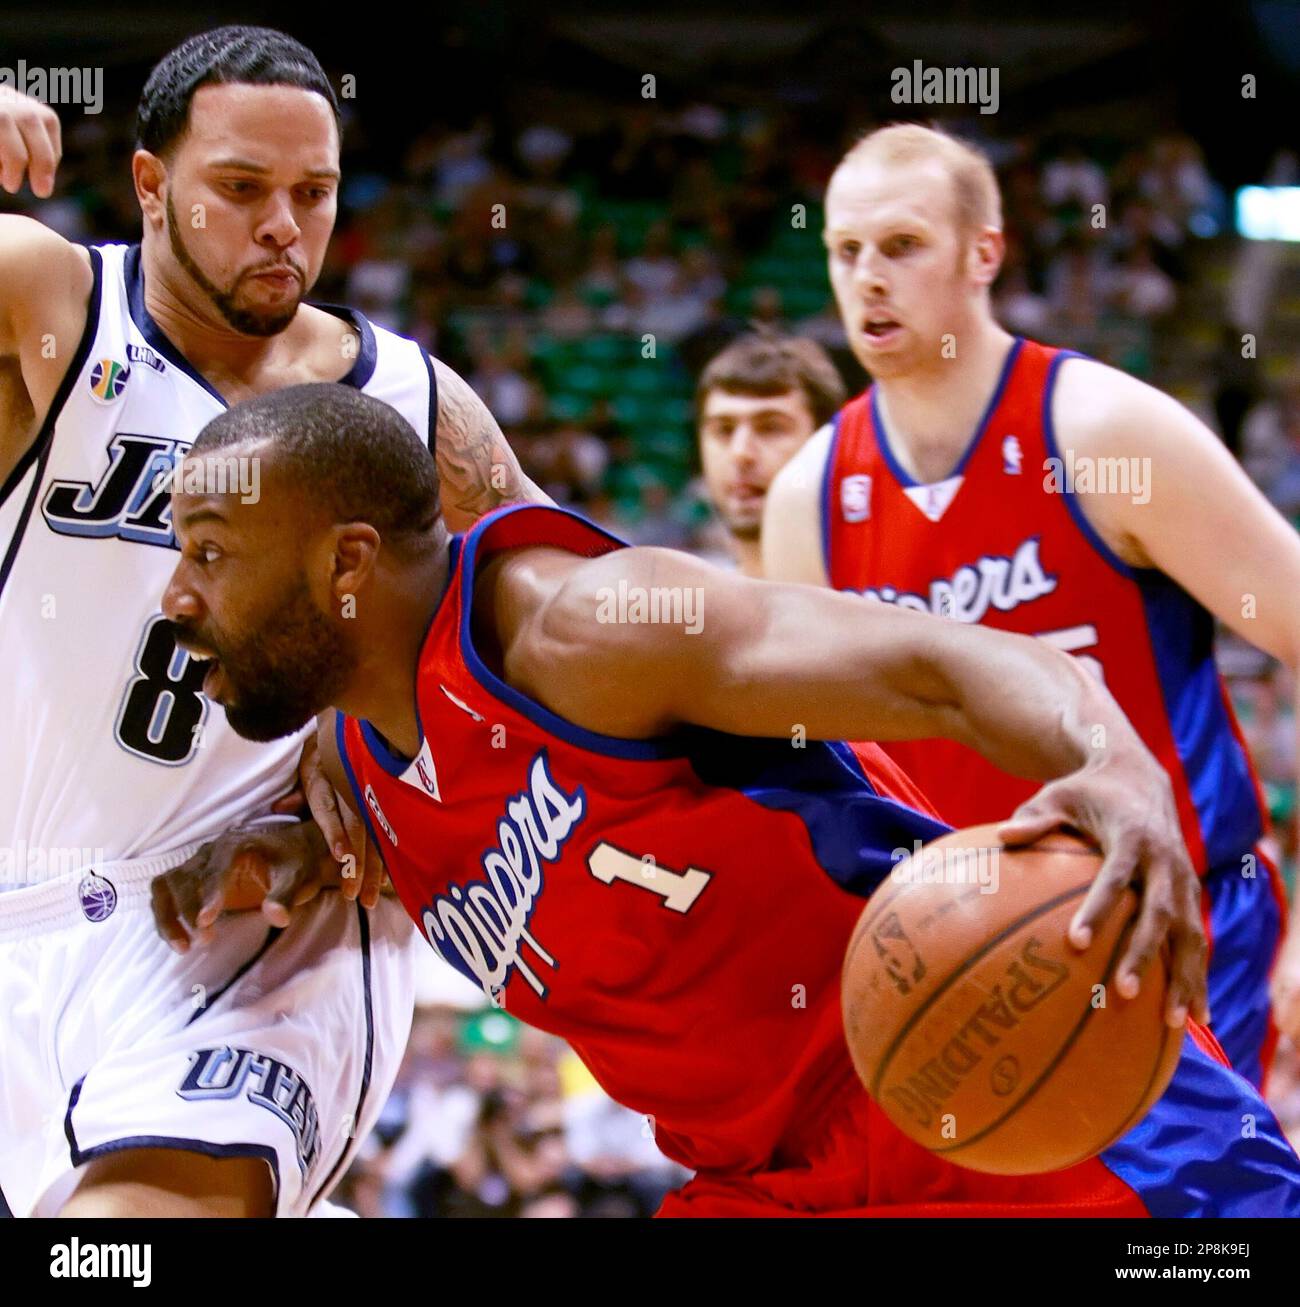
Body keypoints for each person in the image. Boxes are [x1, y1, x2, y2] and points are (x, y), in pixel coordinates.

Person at [154, 382, 1300, 1217]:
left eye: (209, 553)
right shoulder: (358, 770)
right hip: (764, 1184)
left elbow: (944, 665)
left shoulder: (587, 629)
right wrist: (273, 853)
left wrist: (1109, 759)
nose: (175, 595)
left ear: (346, 563)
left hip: (1000, 1064)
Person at [0, 26, 541, 1217]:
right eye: (241, 190)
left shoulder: (403, 404)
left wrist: (376, 771)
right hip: (22, 922)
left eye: (314, 192)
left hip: (250, 917)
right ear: (151, 185)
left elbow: (553, 620)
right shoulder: (49, 304)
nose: (284, 225)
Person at [762, 123, 1300, 1088]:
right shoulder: (810, 498)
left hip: (1171, 923)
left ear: (984, 253)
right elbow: (819, 773)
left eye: (901, 245)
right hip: (962, 956)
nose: (868, 277)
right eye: (845, 252)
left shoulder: (1103, 432)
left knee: (1191, 1237)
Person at [695, 331, 844, 577]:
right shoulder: (687, 607)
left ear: (826, 443)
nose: (741, 453)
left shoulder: (881, 600)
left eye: (771, 428)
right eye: (724, 430)